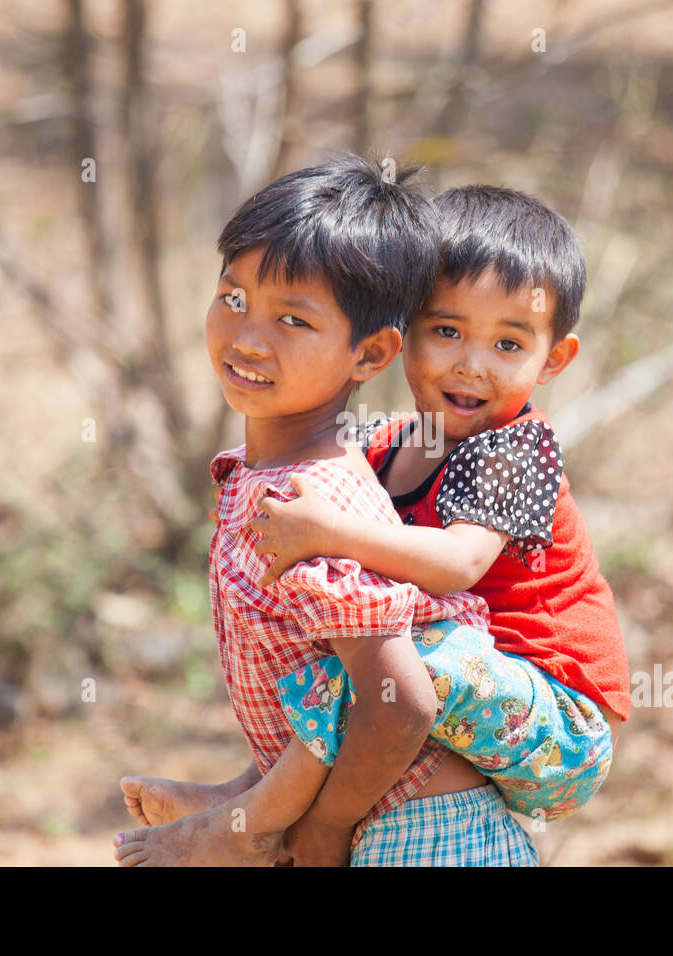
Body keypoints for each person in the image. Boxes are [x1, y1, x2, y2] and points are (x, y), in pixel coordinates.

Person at [115, 155, 538, 867]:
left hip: (423, 836)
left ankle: (246, 823)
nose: (249, 337)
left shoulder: (316, 502)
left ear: (370, 354)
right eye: (234, 298)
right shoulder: (279, 475)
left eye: (293, 319)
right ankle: (245, 806)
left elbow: (399, 700)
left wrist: (326, 830)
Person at [251, 185, 629, 824]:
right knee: (345, 654)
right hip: (472, 688)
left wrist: (325, 532)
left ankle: (274, 820)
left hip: (560, 721)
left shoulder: (516, 449)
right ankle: (254, 789)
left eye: (509, 345)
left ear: (555, 358)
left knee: (405, 661)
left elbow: (457, 564)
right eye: (447, 330)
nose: (472, 365)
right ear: (401, 333)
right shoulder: (388, 443)